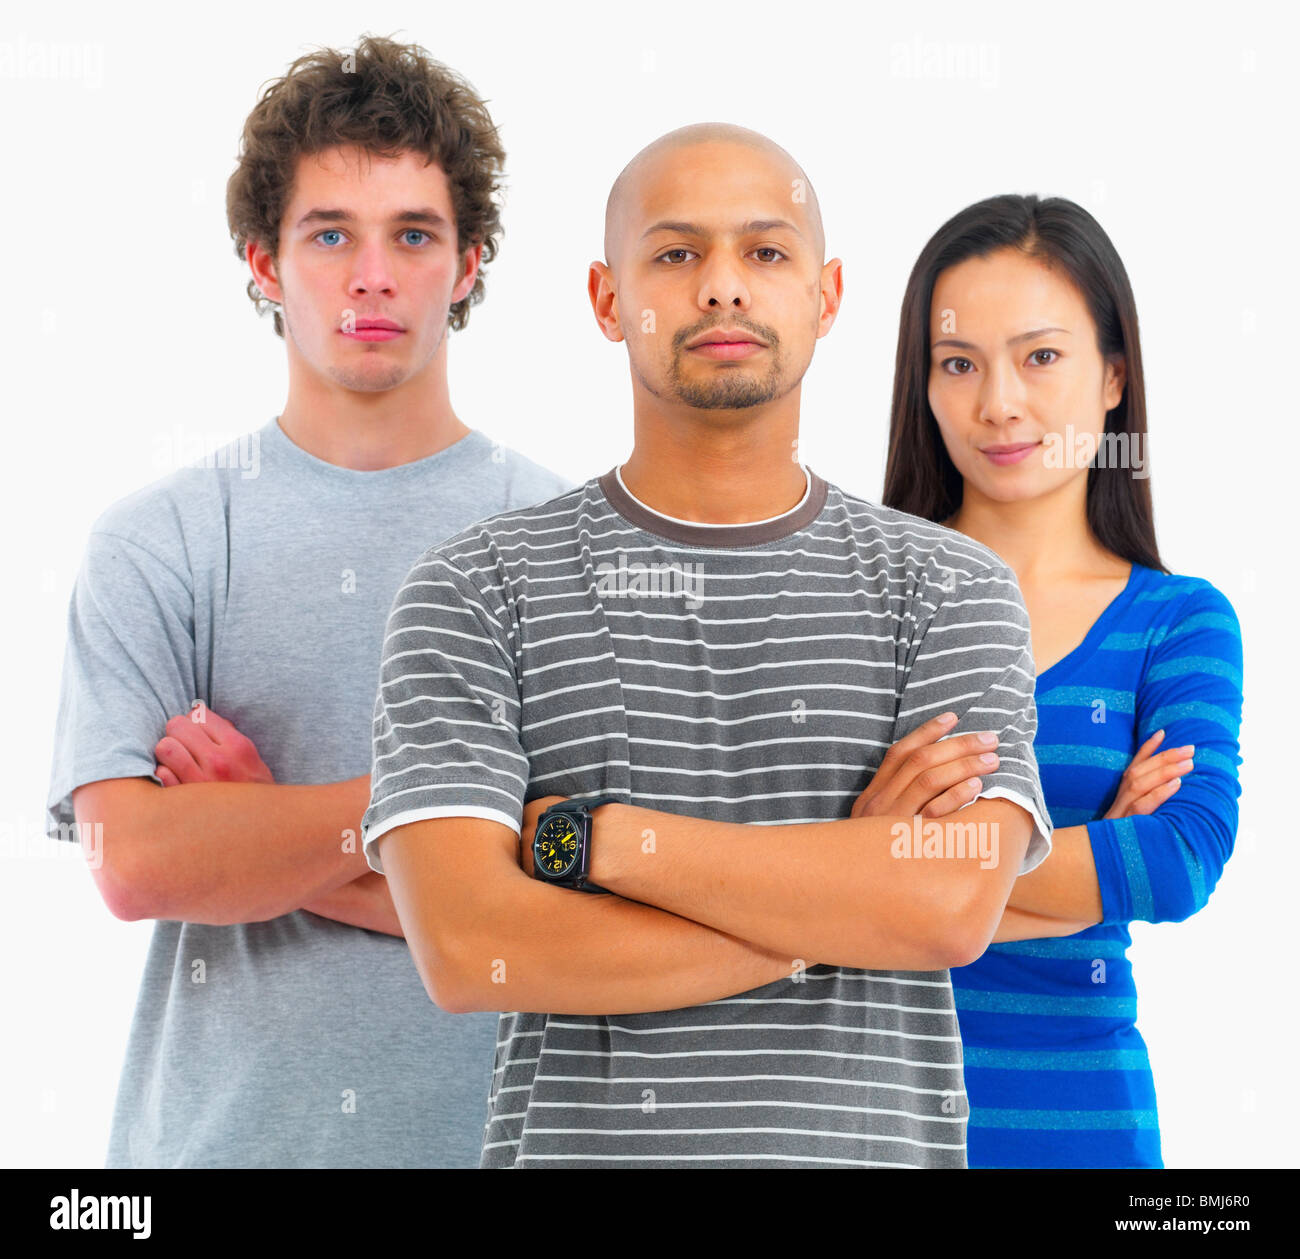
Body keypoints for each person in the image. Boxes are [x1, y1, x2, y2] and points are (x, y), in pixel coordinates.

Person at [360, 122, 1056, 1169]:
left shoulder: (950, 587)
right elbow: (472, 949)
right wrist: (847, 895)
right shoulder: (473, 588)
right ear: (607, 299)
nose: (723, 288)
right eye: (677, 254)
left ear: (826, 297)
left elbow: (950, 904)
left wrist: (598, 840)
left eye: (765, 253)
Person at [44, 35, 574, 1169]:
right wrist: (440, 826)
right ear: (264, 261)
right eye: (329, 233)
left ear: (470, 261)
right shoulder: (161, 539)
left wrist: (252, 825)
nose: (371, 276)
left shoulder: (567, 547)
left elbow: (576, 907)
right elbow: (133, 861)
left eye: (413, 236)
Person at [881, 193, 1244, 1167]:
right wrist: (1090, 859)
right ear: (922, 387)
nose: (999, 402)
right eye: (958, 363)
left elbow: (1179, 859)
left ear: (1114, 374)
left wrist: (899, 875)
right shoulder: (854, 599)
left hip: (1086, 1128)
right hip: (864, 1117)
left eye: (1039, 356)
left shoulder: (1178, 620)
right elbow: (775, 863)